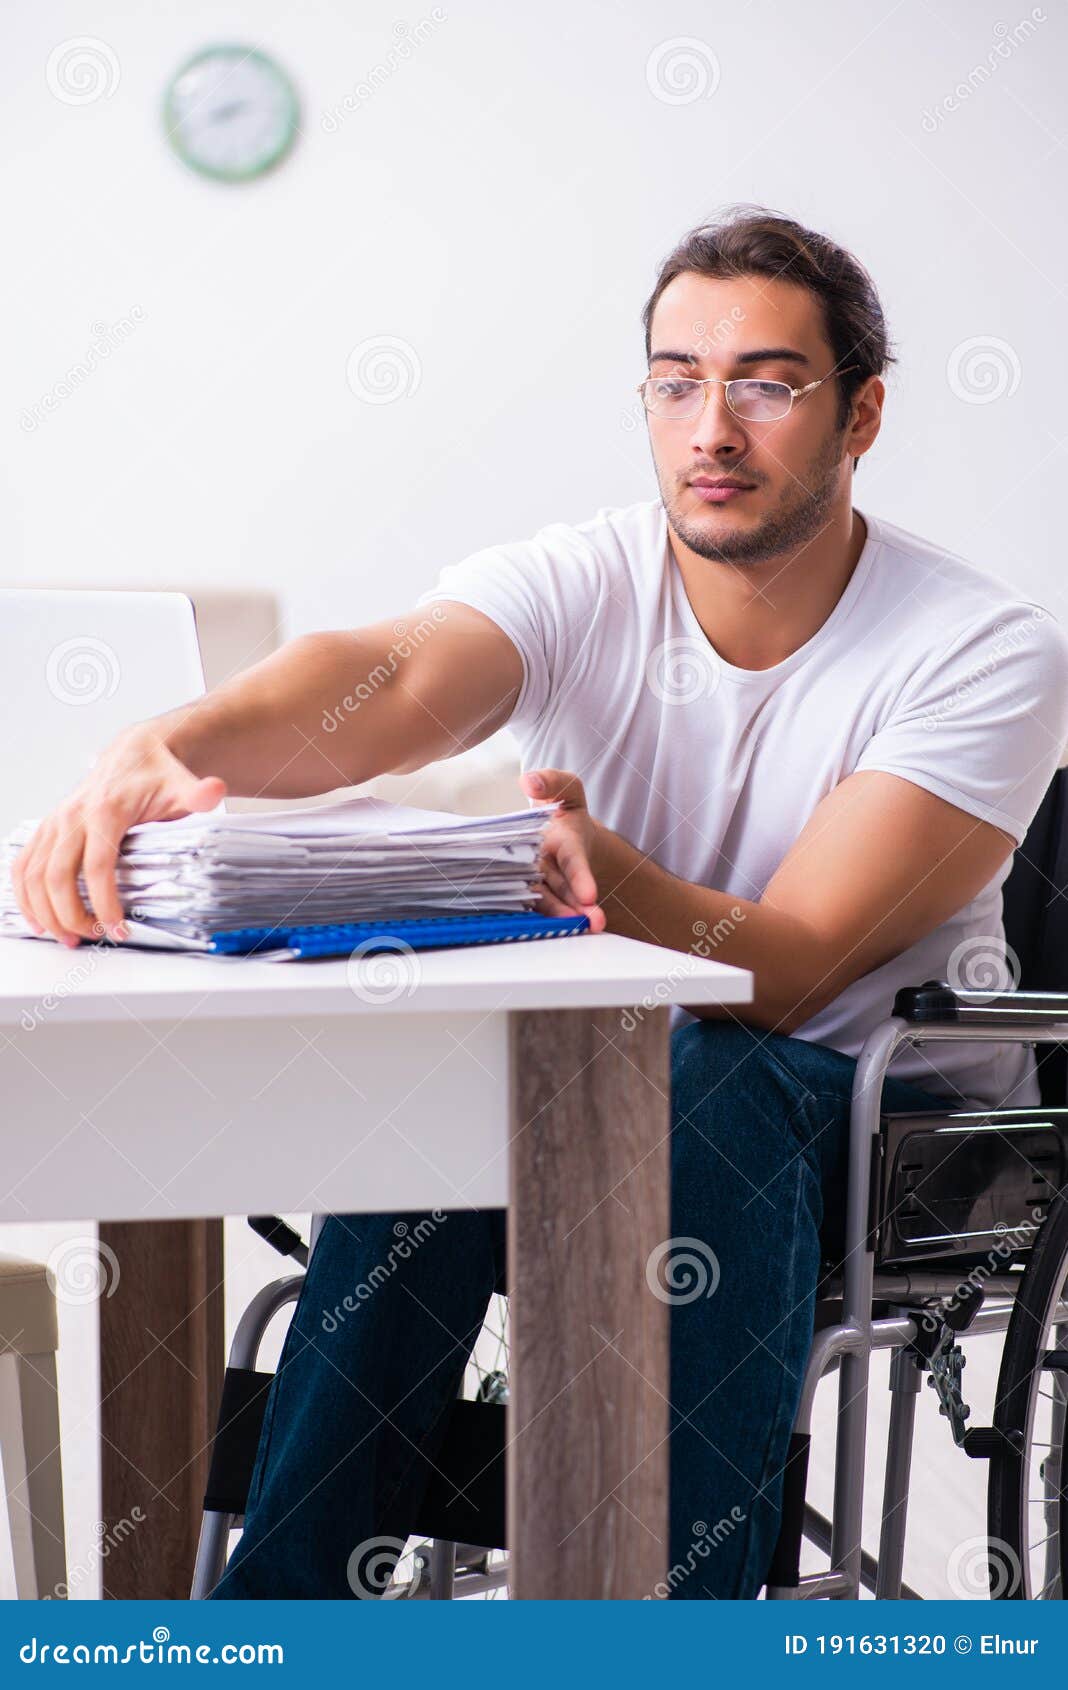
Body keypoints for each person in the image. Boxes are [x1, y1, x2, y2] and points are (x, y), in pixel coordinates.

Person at [13, 206, 1068, 1599]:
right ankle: (287, 1613)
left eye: (764, 382)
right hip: (608, 1096)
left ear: (860, 413)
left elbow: (797, 970)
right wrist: (174, 747)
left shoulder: (980, 650)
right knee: (465, 1097)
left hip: (871, 1119)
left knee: (700, 1064)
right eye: (677, 381)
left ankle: (662, 1619)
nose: (713, 430)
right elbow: (385, 679)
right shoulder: (589, 576)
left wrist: (597, 866)